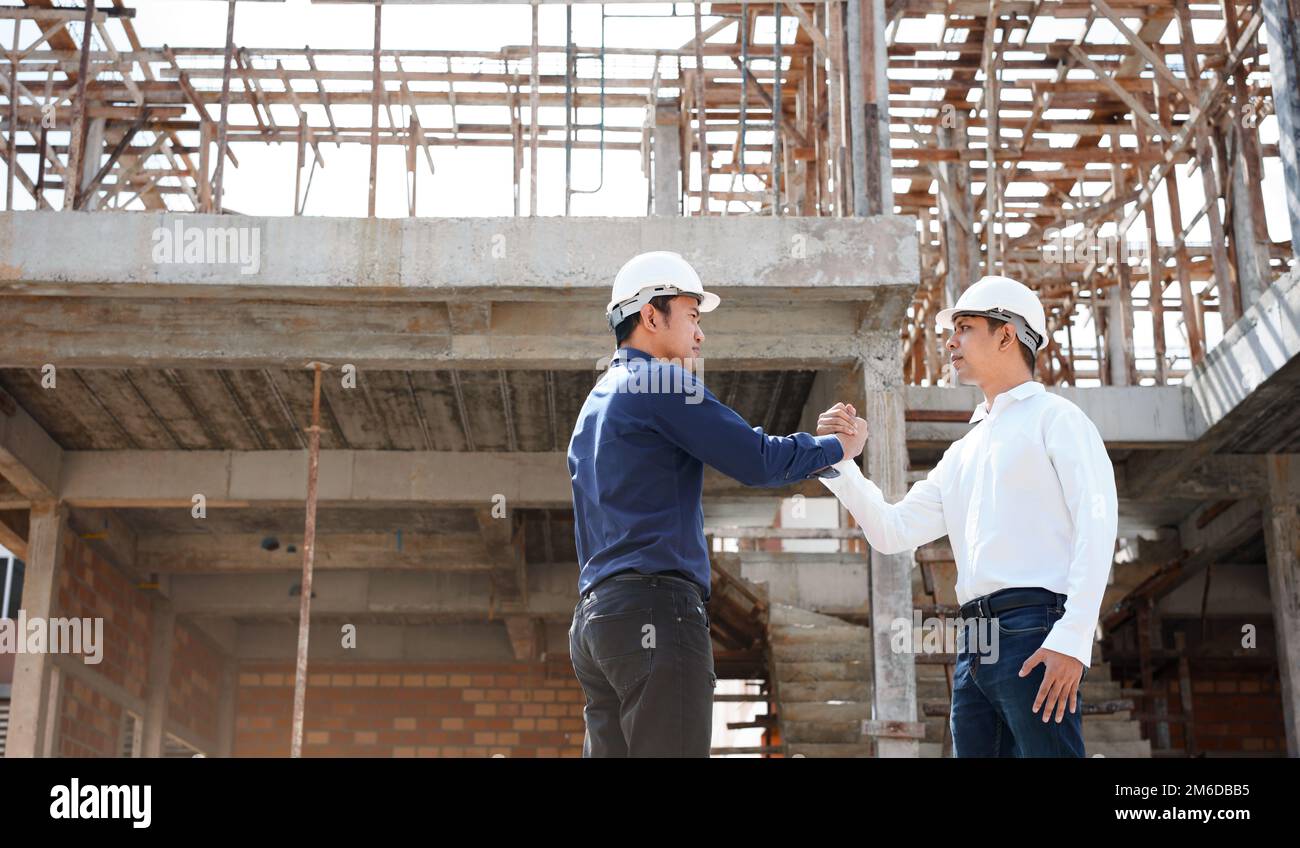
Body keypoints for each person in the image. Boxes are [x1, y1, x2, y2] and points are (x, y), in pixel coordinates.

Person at [567, 250, 866, 757]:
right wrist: (839, 447)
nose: (700, 334)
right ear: (650, 315)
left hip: (596, 627)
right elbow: (755, 458)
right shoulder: (658, 382)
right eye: (692, 316)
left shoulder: (595, 404)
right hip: (655, 612)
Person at [815, 275, 1118, 757]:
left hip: (1035, 627)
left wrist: (1074, 637)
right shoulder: (963, 451)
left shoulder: (1057, 420)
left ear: (1006, 334)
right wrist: (840, 463)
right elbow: (894, 532)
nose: (950, 341)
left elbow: (1098, 526)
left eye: (965, 327)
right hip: (975, 639)